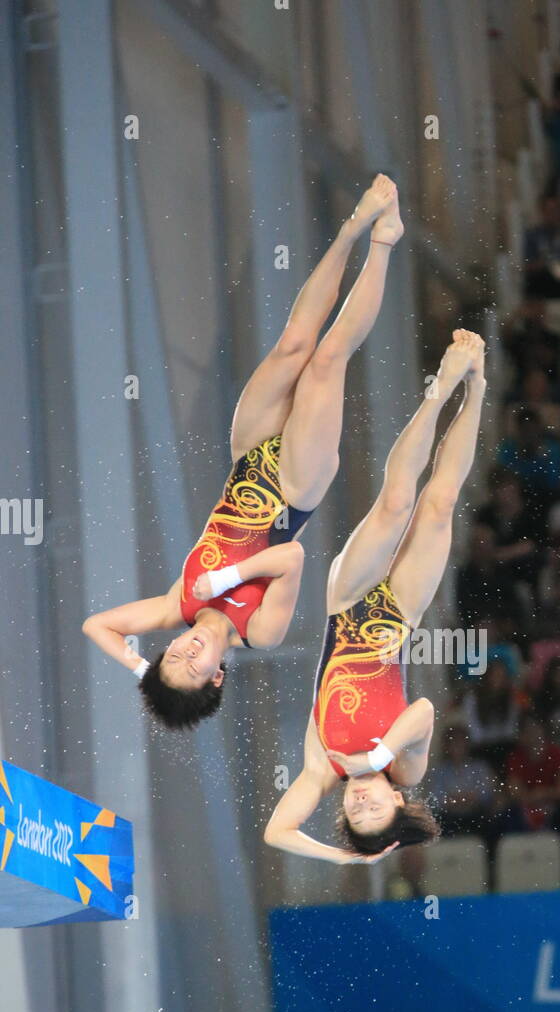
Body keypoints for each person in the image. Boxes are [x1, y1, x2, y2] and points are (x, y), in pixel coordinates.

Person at [83, 176, 402, 730]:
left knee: (293, 343)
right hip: (296, 489)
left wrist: (142, 670)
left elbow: (96, 625)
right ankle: (384, 242)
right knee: (327, 359)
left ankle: (353, 227)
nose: (186, 652)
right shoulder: (261, 632)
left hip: (247, 458)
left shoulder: (173, 605)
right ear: (218, 675)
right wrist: (227, 583)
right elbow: (293, 558)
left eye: (173, 657)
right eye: (194, 666)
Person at [265, 331, 486, 864]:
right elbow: (427, 710)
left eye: (355, 812)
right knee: (438, 503)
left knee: (394, 503)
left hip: (347, 604)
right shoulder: (405, 768)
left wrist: (347, 858)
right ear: (397, 798)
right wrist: (383, 753)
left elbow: (277, 833)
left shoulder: (325, 768)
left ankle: (440, 388)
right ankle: (476, 385)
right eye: (376, 809)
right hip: (399, 616)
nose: (363, 800)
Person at [427, 726, 497, 839]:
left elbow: (487, 794)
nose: (457, 747)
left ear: (468, 744)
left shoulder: (480, 767)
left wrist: (462, 799)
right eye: (453, 742)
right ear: (447, 746)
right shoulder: (440, 771)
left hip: (476, 815)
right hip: (449, 817)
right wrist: (461, 799)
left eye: (461, 742)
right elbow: (436, 799)